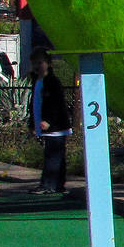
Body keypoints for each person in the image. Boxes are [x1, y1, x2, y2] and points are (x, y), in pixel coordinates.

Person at [27, 47, 72, 194]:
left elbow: (57, 104)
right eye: (35, 63)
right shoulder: (37, 81)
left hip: (56, 126)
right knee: (56, 156)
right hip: (45, 126)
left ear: (48, 63)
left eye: (40, 63)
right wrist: (32, 124)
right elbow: (34, 104)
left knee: (53, 156)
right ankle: (58, 184)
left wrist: (48, 121)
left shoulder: (52, 82)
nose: (37, 66)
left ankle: (48, 185)